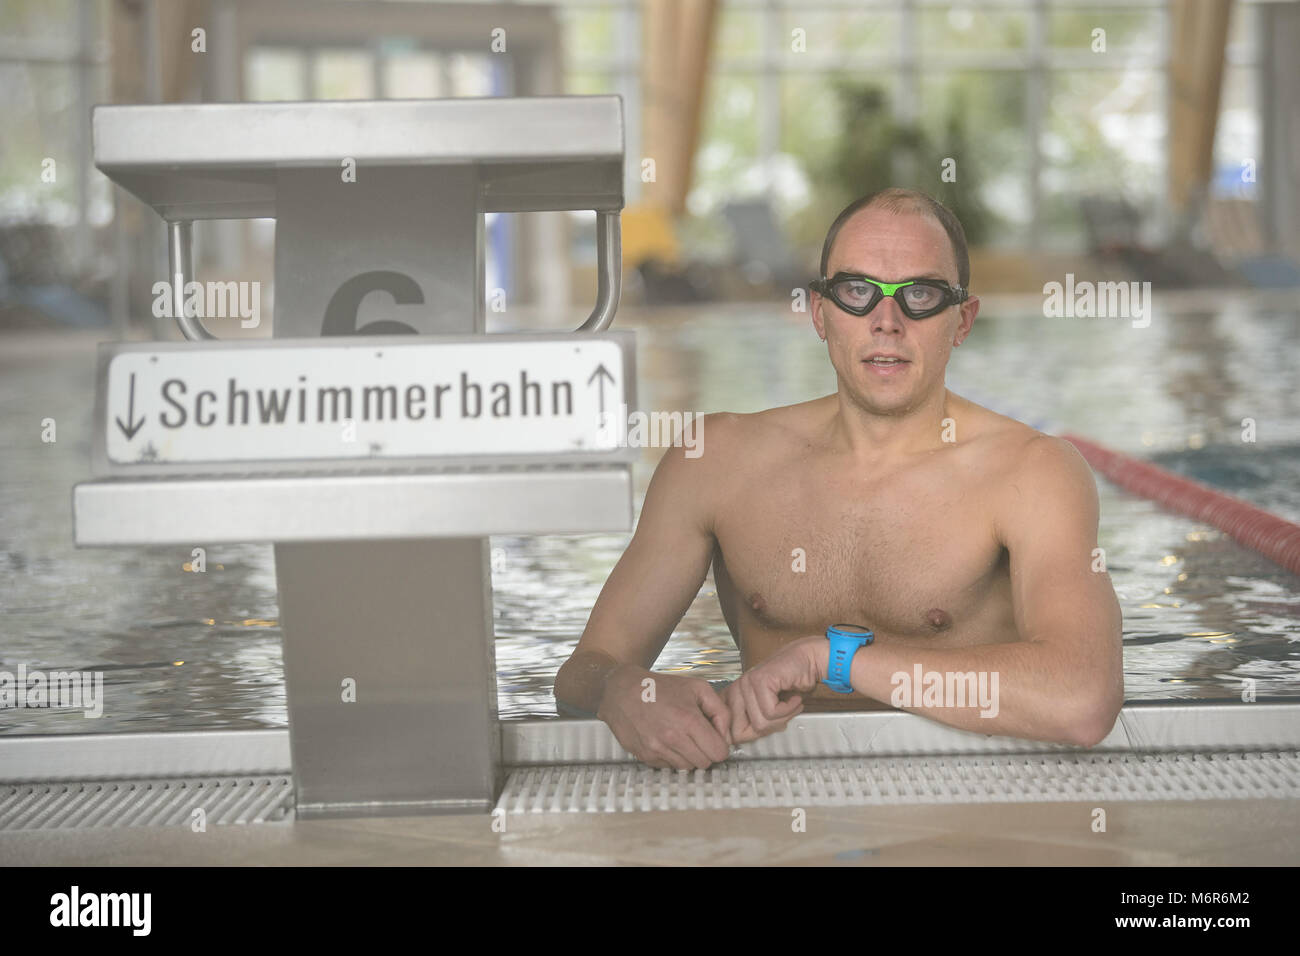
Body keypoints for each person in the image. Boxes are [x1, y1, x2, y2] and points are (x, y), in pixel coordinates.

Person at [554, 187, 1124, 770]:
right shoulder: (714, 460)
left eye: (921, 294)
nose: (887, 322)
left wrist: (831, 660)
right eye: (858, 292)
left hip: (960, 801)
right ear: (820, 314)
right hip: (774, 797)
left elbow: (1081, 697)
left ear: (962, 320)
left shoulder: (1032, 472)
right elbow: (584, 669)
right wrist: (623, 691)